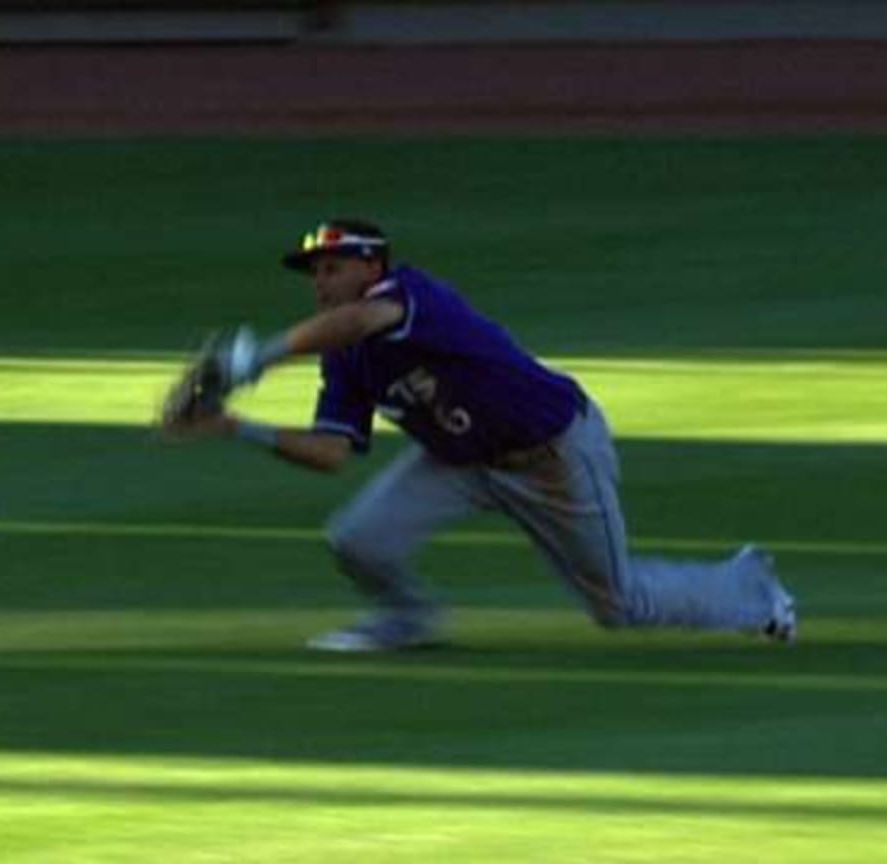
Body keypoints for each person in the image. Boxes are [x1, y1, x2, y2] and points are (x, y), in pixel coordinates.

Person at [176, 219, 797, 651]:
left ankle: (751, 590)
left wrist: (252, 359)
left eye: (332, 267)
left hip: (553, 455)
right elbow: (332, 452)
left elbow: (363, 317)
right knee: (357, 539)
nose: (320, 283)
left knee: (619, 607)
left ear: (373, 264)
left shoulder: (412, 294)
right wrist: (234, 426)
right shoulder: (345, 357)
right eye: (314, 273)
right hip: (459, 463)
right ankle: (408, 621)